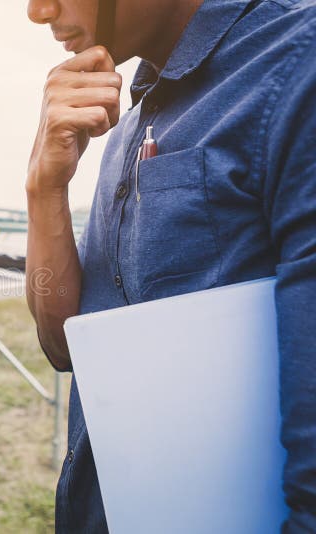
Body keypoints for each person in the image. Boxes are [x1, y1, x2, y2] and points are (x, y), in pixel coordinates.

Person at [24, 0, 316, 532]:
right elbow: (65, 347)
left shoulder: (298, 64)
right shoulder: (133, 112)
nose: (37, 11)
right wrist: (45, 187)